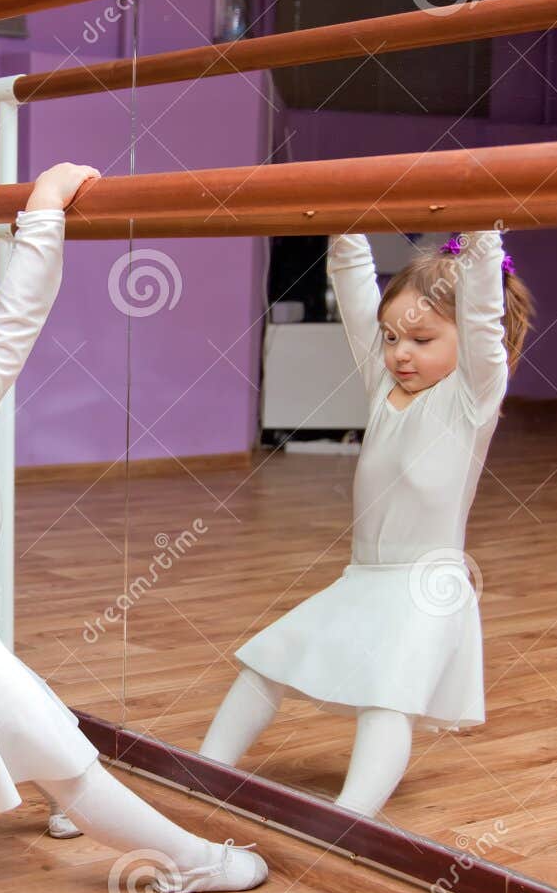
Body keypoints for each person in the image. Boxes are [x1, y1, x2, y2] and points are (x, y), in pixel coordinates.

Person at [0, 166, 268, 893]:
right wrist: (42, 213)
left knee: (37, 719)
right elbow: (18, 321)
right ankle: (192, 862)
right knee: (74, 762)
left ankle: (67, 799)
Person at [199, 229, 534, 816]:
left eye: (422, 339)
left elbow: (483, 316)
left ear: (473, 345)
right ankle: (206, 768)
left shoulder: (471, 397)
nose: (401, 352)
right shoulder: (384, 388)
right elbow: (355, 295)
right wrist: (346, 227)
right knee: (266, 662)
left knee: (389, 698)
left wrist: (482, 234)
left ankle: (351, 815)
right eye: (392, 338)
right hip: (364, 578)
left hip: (426, 585)